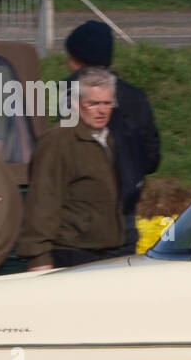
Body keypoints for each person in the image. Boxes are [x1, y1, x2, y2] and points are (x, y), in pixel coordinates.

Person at [65, 20, 160, 255]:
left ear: (78, 60)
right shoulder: (135, 98)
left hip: (76, 225)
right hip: (123, 220)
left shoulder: (63, 95)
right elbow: (152, 158)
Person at [17, 66, 123, 271]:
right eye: (93, 103)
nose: (101, 110)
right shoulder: (59, 140)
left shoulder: (106, 138)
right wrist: (39, 258)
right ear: (77, 104)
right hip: (70, 254)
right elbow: (43, 201)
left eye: (107, 103)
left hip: (105, 253)